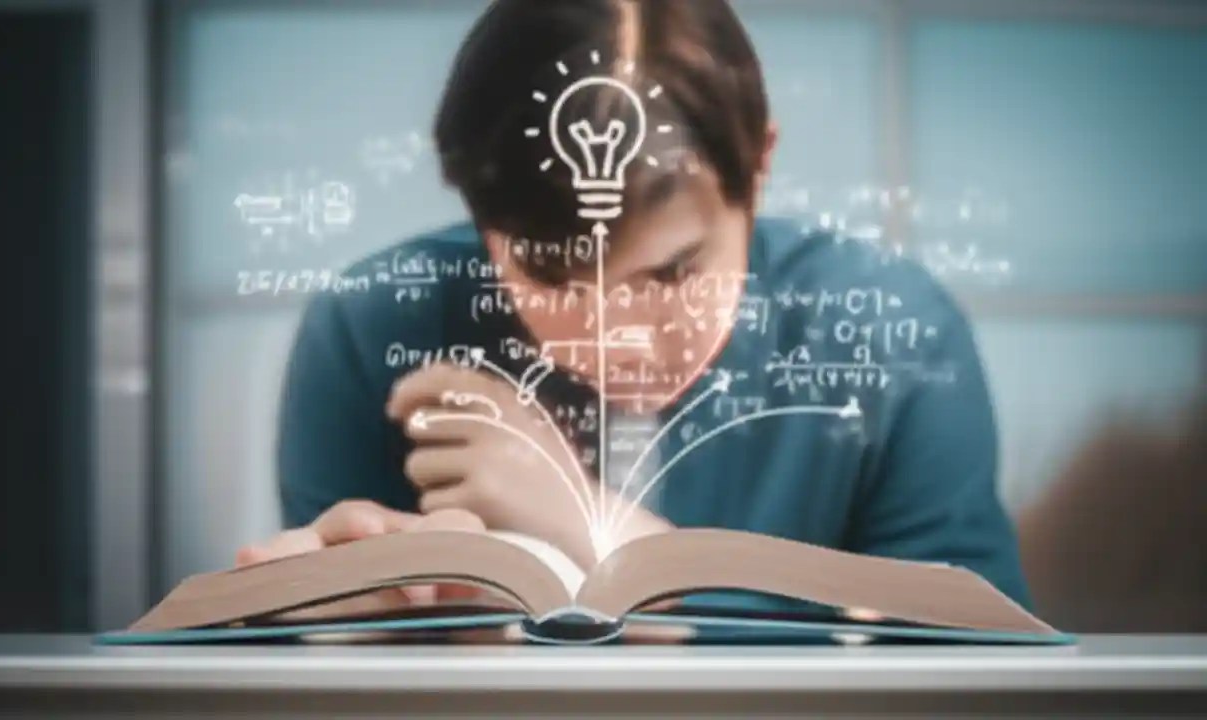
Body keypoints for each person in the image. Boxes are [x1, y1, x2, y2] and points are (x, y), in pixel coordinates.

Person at [236, 0, 1031, 615]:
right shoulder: (368, 330)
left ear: (758, 169)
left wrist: (615, 547)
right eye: (555, 282)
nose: (621, 340)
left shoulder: (899, 334)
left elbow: (974, 666)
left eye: (674, 273)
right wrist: (356, 619)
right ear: (481, 224)